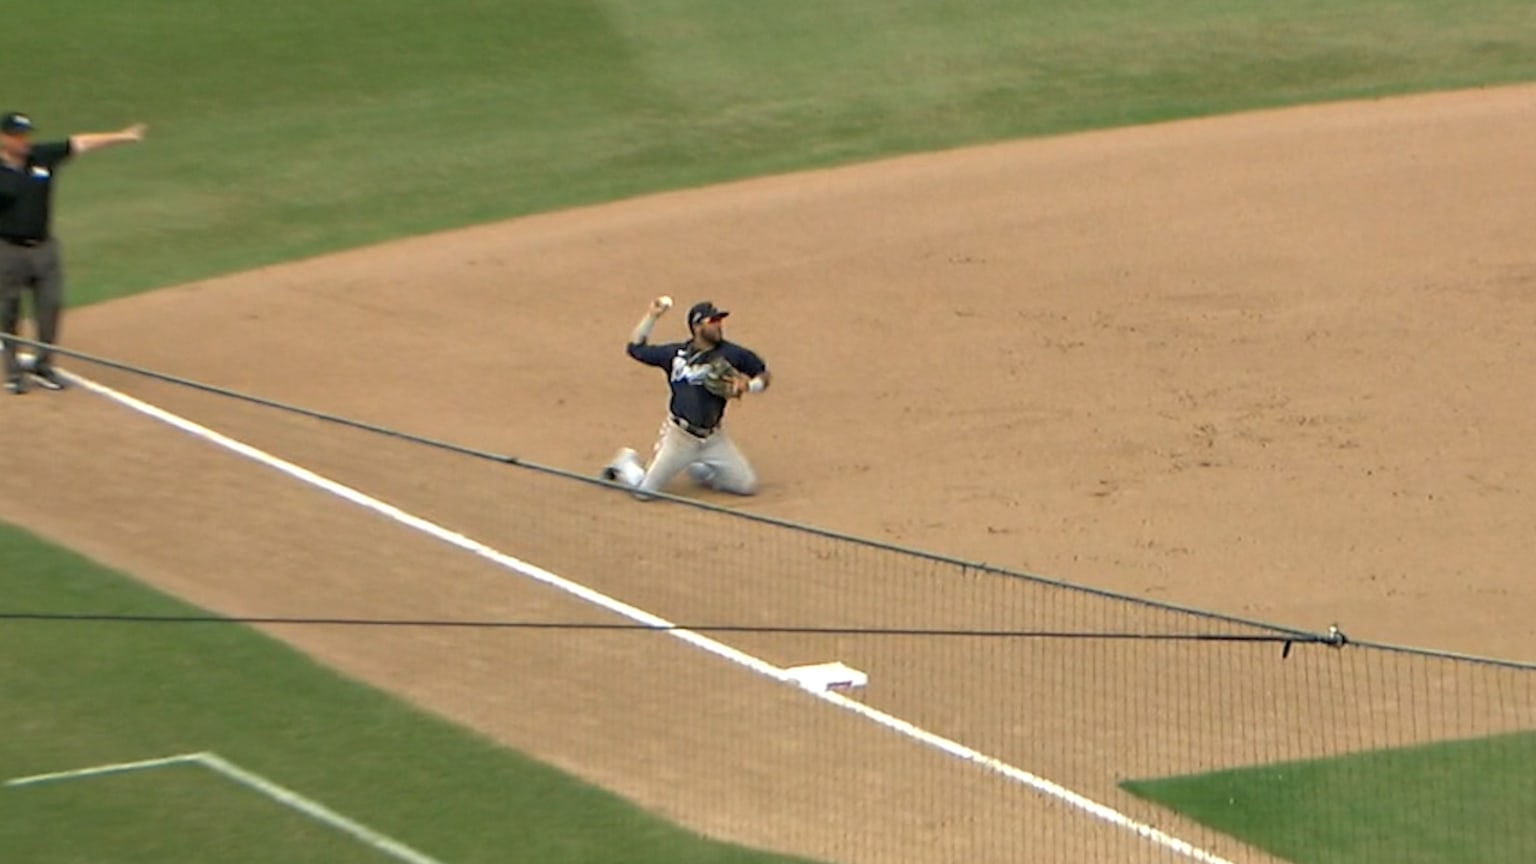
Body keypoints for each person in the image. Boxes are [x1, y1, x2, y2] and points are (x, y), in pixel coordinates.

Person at [0, 111, 146, 394]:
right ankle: (14, 373)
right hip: (7, 252)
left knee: (51, 306)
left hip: (44, 249)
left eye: (26, 134)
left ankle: (43, 365)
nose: (24, 140)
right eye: (18, 135)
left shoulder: (41, 157)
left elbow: (79, 143)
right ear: (3, 137)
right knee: (7, 312)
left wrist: (123, 136)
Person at [602, 297, 772, 497]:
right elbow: (635, 348)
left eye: (719, 321)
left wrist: (749, 385)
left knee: (746, 486)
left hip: (714, 438)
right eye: (713, 322)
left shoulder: (732, 353)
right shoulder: (675, 355)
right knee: (643, 492)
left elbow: (763, 373)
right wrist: (652, 316)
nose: (719, 326)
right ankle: (626, 462)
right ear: (697, 326)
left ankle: (699, 468)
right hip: (679, 437)